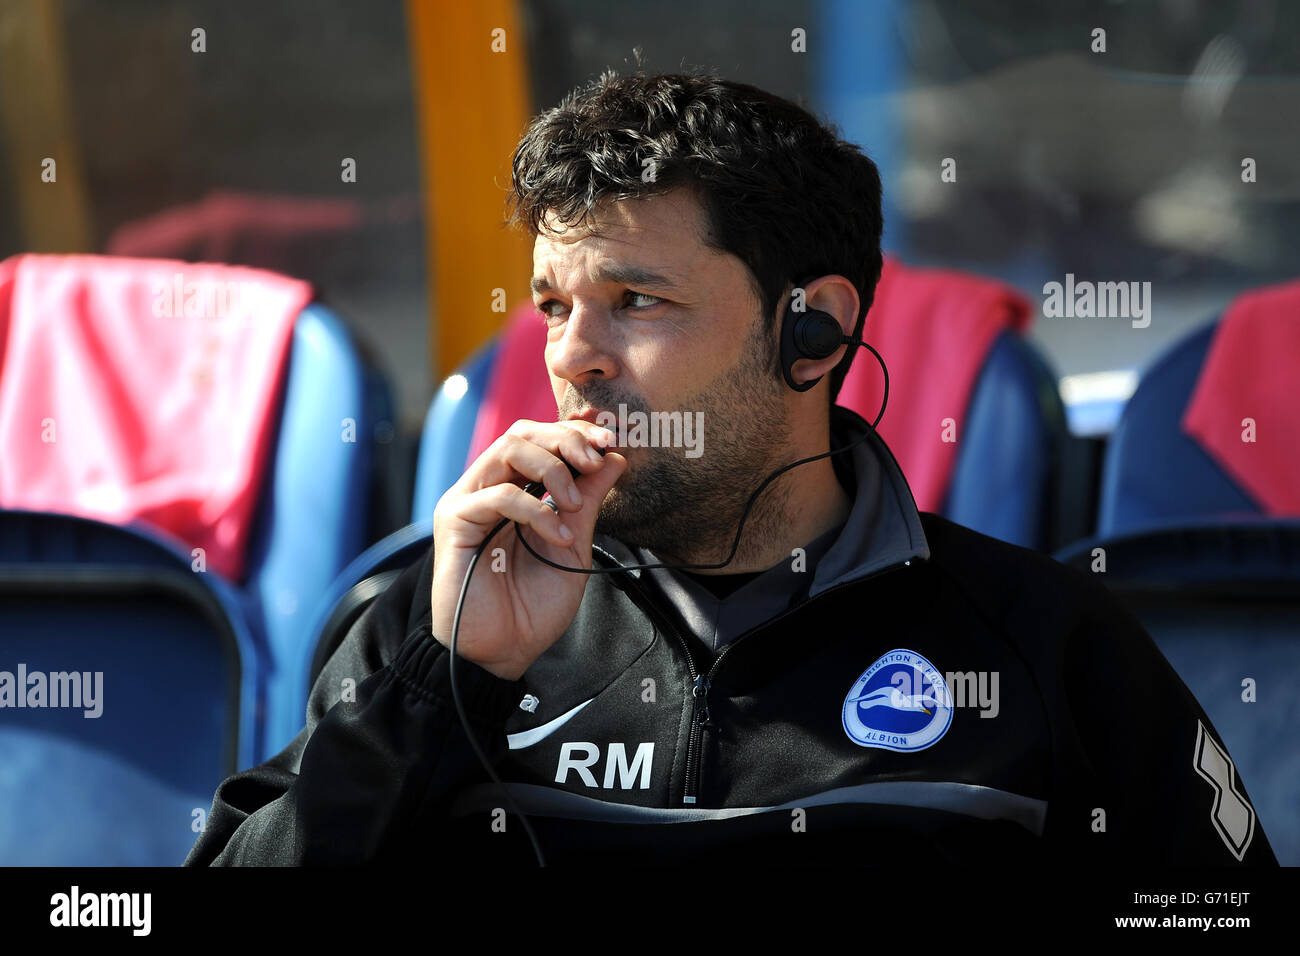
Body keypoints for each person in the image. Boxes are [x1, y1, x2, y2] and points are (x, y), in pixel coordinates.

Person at [185, 68, 1275, 866]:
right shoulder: (429, 615)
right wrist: (445, 681)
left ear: (815, 331)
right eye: (555, 307)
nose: (569, 355)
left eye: (636, 302)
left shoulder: (1046, 643)